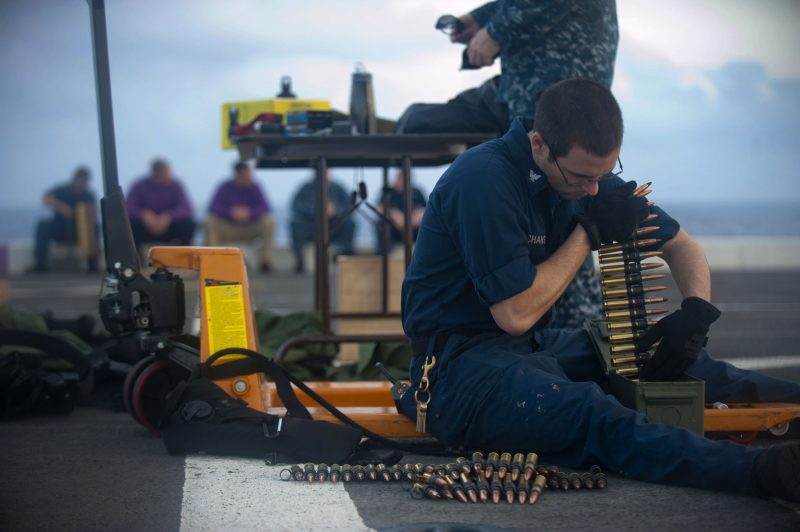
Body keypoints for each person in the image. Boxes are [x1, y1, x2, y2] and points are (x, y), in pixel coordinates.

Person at [398, 79, 800, 501]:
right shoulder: (483, 179)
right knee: (592, 413)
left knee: (677, 361)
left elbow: (682, 247)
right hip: (456, 371)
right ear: (539, 144)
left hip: (530, 347)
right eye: (583, 177)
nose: (593, 190)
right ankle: (763, 472)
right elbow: (514, 314)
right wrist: (587, 234)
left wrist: (696, 314)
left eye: (605, 175)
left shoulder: (583, 175)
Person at [205, 162, 276, 272]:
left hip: (249, 228)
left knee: (269, 221)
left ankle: (266, 261)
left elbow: (265, 208)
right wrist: (231, 212)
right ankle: (213, 261)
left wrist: (249, 212)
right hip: (229, 227)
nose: (250, 177)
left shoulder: (255, 187)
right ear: (238, 175)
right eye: (247, 175)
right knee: (209, 221)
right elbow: (213, 207)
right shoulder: (224, 187)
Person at [30, 166, 99, 273]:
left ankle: (92, 264)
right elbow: (46, 198)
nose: (82, 184)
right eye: (80, 180)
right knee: (42, 226)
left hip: (79, 231)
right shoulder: (62, 190)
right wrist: (62, 207)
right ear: (75, 179)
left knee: (95, 228)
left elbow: (94, 214)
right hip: (60, 228)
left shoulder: (88, 195)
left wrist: (89, 214)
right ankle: (40, 264)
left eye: (84, 181)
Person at [289, 174, 355, 273]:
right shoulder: (305, 188)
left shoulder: (338, 188)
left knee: (350, 224)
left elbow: (349, 206)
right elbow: (296, 205)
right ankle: (300, 261)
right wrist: (315, 210)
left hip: (334, 224)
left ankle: (345, 256)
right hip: (311, 224)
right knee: (296, 224)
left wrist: (335, 211)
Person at [126, 159, 196, 247]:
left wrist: (169, 216)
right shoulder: (140, 185)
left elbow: (186, 208)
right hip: (145, 228)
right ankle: (135, 258)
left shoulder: (176, 185)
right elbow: (128, 207)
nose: (169, 175)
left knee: (189, 225)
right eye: (166, 173)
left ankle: (182, 256)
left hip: (169, 228)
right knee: (129, 227)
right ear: (156, 173)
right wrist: (143, 214)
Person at [375, 171, 426, 255]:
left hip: (413, 227)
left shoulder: (417, 192)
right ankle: (384, 254)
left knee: (426, 225)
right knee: (382, 224)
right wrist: (392, 214)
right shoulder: (388, 192)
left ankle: (425, 254)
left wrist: (417, 217)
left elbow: (426, 209)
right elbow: (378, 208)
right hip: (394, 227)